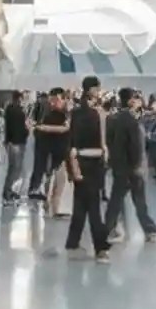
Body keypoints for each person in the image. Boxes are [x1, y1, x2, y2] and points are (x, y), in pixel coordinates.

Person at [104, 89, 156, 244]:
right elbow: (136, 144)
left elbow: (109, 141)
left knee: (116, 200)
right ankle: (150, 231)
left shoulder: (113, 119)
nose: (139, 101)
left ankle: (109, 229)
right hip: (132, 167)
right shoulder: (131, 120)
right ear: (130, 101)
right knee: (139, 201)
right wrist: (137, 164)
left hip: (119, 165)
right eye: (136, 98)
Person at [64, 76, 110, 262]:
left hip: (79, 161)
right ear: (92, 90)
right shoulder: (98, 113)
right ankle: (100, 248)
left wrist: (72, 168)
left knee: (80, 203)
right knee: (94, 206)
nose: (99, 91)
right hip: (94, 162)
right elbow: (103, 142)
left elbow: (71, 142)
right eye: (97, 88)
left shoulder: (76, 113)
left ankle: (73, 240)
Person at [28, 89, 70, 202]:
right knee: (42, 166)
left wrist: (42, 127)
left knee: (56, 170)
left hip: (60, 146)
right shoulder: (48, 112)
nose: (52, 103)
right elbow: (30, 121)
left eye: (56, 100)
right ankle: (40, 190)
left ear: (64, 99)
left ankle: (52, 194)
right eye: (51, 100)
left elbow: (65, 128)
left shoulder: (68, 112)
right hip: (45, 143)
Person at [2, 91, 30, 203]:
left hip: (11, 142)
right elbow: (21, 128)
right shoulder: (19, 111)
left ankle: (9, 190)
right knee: (16, 168)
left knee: (12, 168)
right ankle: (9, 192)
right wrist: (27, 131)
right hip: (17, 142)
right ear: (19, 98)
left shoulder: (9, 109)